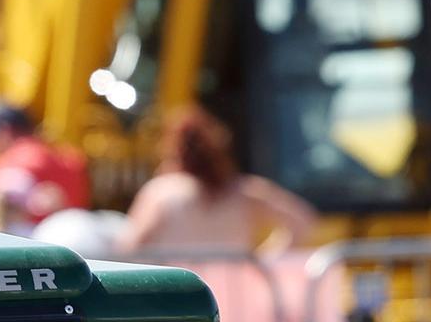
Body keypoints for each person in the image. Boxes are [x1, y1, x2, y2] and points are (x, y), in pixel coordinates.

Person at [123, 107, 315, 256]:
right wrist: (262, 261)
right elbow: (302, 220)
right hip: (234, 297)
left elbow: (130, 247)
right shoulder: (245, 192)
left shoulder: (161, 192)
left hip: (178, 299)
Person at [0, 97, 91, 235]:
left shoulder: (13, 160)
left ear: (4, 131)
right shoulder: (66, 157)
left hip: (37, 243)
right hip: (79, 237)